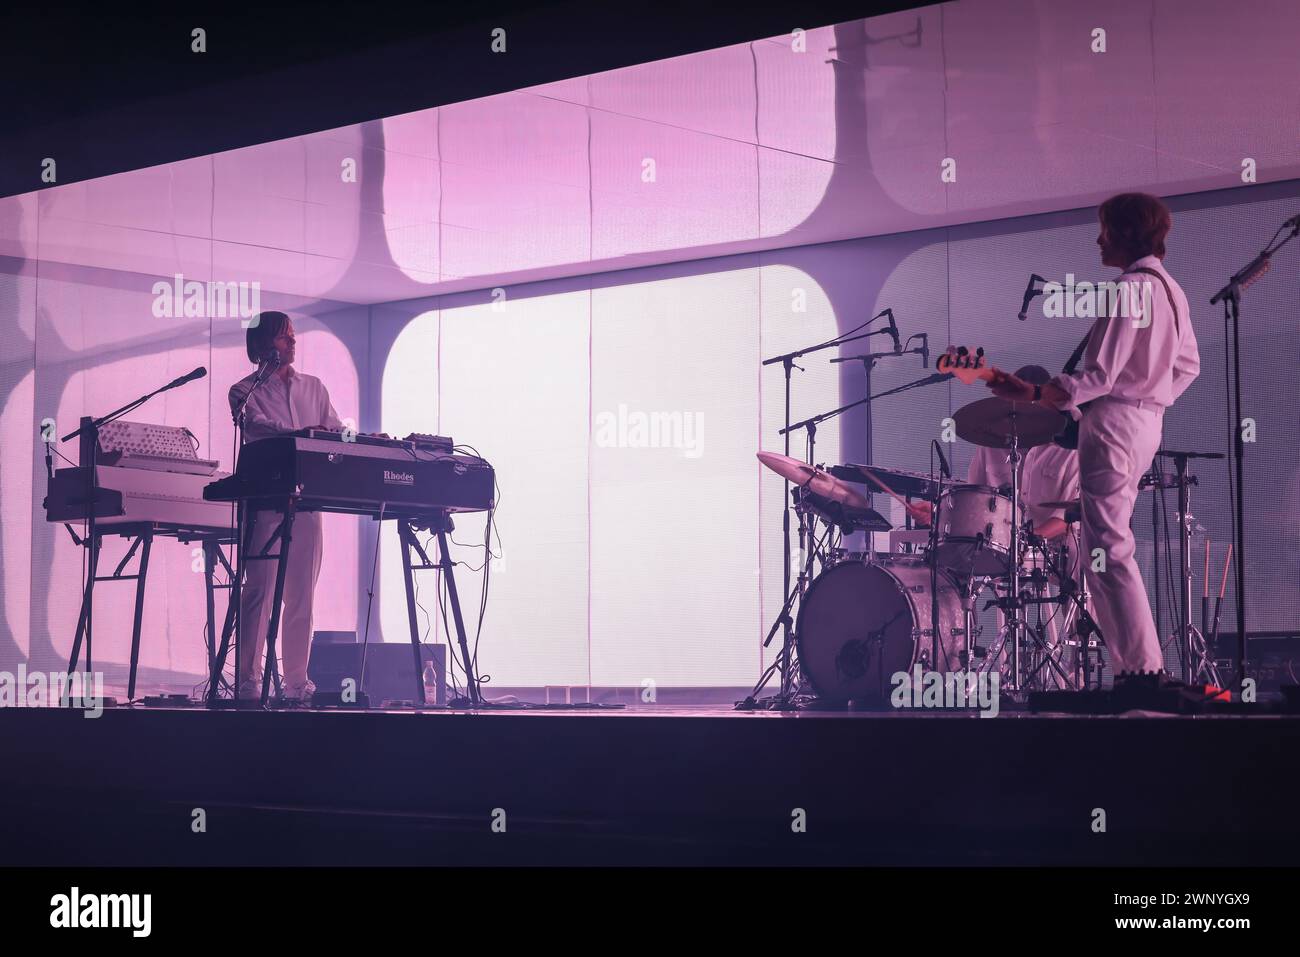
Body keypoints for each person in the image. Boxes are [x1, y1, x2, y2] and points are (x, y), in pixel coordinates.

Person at [987, 192, 1199, 679]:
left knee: (1108, 548)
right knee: (1109, 545)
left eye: (1104, 228)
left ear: (1124, 233)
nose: (1097, 238)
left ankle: (1141, 671)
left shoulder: (1128, 289)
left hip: (1114, 424)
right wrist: (1152, 397)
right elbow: (1189, 366)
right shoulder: (1171, 290)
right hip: (1145, 424)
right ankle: (1138, 668)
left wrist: (1035, 392)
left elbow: (1098, 376)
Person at [228, 311, 342, 703]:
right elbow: (259, 430)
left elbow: (335, 432)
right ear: (262, 346)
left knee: (302, 596)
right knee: (260, 592)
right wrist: (305, 436)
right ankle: (248, 682)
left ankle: (296, 684)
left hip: (307, 504)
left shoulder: (315, 387)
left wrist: (353, 438)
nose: (292, 343)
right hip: (265, 504)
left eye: (293, 336)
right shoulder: (243, 390)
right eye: (283, 337)